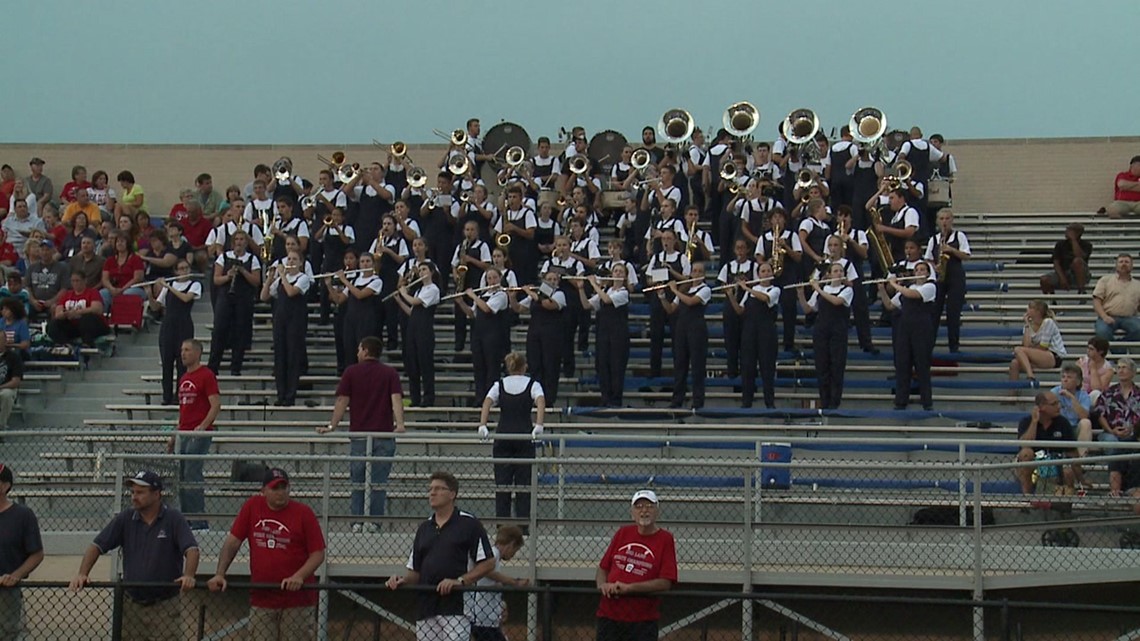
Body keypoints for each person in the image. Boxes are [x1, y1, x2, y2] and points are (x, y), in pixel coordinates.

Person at [70, 471, 199, 640]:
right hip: (132, 605)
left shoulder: (173, 519)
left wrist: (188, 575)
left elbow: (192, 550)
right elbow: (96, 546)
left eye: (140, 492)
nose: (134, 497)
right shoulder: (125, 519)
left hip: (165, 605)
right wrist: (82, 573)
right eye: (132, 492)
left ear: (156, 494)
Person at [208, 468, 326, 641]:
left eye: (284, 487)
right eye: (275, 488)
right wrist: (220, 573)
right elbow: (232, 542)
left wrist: (299, 576)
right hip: (262, 599)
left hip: (297, 601)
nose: (281, 492)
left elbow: (317, 553)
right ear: (263, 491)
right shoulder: (252, 507)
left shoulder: (303, 513)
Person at [385, 471, 496, 641]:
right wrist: (403, 580)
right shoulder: (424, 528)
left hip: (455, 606)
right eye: (430, 489)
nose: (432, 493)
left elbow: (488, 562)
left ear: (452, 494)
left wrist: (460, 581)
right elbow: (415, 571)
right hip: (427, 605)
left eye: (438, 488)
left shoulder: (469, 524)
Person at [318, 336, 406, 530]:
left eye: (359, 349)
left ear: (365, 350)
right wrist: (399, 424)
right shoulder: (389, 373)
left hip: (359, 436)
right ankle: (374, 522)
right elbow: (396, 398)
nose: (357, 353)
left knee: (358, 480)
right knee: (379, 481)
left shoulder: (351, 372)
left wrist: (332, 426)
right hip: (383, 435)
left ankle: (357, 521)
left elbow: (342, 401)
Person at [595, 489, 677, 641]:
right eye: (639, 507)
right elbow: (603, 568)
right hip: (609, 615)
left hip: (641, 619)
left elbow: (665, 582)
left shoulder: (665, 539)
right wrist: (603, 585)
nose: (644, 510)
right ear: (632, 512)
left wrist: (629, 588)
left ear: (657, 511)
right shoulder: (623, 533)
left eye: (649, 506)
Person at [478, 352, 546, 522]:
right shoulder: (532, 384)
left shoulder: (500, 384)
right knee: (524, 485)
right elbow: (541, 401)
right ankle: (523, 524)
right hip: (524, 436)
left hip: (503, 437)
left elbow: (487, 401)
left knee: (502, 485)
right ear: (525, 367)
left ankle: (502, 524)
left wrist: (483, 424)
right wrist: (539, 424)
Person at [168, 338, 221, 532]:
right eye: (182, 350)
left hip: (198, 433)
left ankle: (199, 522)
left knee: (192, 474)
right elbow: (182, 411)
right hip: (184, 431)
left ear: (198, 353)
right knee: (182, 476)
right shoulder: (183, 379)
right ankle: (186, 520)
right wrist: (175, 435)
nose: (183, 353)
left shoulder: (206, 375)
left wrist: (203, 426)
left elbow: (215, 404)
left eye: (187, 350)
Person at [879, 261, 937, 410]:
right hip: (905, 329)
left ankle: (927, 402)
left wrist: (895, 284)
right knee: (902, 365)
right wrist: (882, 290)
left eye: (922, 269)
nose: (919, 272)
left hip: (922, 328)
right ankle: (901, 401)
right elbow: (890, 306)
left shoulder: (930, 287)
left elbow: (914, 295)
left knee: (922, 366)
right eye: (917, 269)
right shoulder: (907, 287)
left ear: (928, 273)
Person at [207, 230, 261, 376]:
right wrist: (228, 276)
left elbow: (256, 281)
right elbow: (216, 280)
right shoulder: (224, 257)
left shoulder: (252, 259)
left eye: (242, 239)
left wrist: (243, 271)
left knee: (240, 331)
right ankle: (213, 366)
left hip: (243, 299)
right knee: (219, 330)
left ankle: (236, 367)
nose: (239, 242)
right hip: (225, 298)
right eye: (236, 239)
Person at [261, 250, 312, 407]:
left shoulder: (302, 278)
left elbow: (291, 292)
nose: (290, 261)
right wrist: (270, 278)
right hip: (280, 320)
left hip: (295, 320)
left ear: (300, 263)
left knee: (292, 357)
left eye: (294, 259)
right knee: (280, 357)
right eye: (289, 258)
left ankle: (290, 395)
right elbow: (264, 296)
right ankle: (280, 394)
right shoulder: (280, 281)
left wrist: (282, 275)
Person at [0, 463, 44, 641]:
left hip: (6, 591)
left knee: (8, 634)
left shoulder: (22, 515)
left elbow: (37, 554)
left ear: (5, 486)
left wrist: (15, 575)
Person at [802, 261, 854, 409]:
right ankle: (824, 401)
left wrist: (818, 288)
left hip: (838, 330)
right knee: (822, 366)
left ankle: (834, 402)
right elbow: (809, 309)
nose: (839, 274)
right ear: (829, 274)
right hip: (821, 330)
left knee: (836, 366)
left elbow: (836, 301)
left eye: (841, 271)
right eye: (836, 271)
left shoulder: (847, 290)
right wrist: (800, 294)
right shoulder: (822, 290)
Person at [730, 261, 781, 409]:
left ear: (771, 274)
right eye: (762, 271)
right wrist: (731, 296)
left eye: (767, 271)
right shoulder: (750, 291)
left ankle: (769, 402)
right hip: (749, 331)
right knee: (747, 367)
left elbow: (765, 299)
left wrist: (746, 287)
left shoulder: (775, 290)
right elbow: (740, 311)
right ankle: (747, 401)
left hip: (767, 332)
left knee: (767, 367)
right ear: (758, 274)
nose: (765, 274)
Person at [660, 262, 711, 409]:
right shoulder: (685, 289)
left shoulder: (705, 289)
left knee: (697, 367)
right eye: (694, 271)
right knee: (680, 366)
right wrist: (662, 296)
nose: (696, 274)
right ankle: (677, 400)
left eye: (700, 271)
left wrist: (674, 290)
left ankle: (698, 402)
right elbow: (670, 309)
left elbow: (690, 301)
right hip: (681, 329)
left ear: (704, 274)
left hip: (697, 329)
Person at [149, 261, 201, 405]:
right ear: (176, 271)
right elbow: (155, 307)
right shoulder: (169, 287)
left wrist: (167, 286)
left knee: (182, 363)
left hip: (183, 325)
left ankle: (180, 395)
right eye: (181, 268)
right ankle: (166, 396)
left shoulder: (194, 285)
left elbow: (185, 298)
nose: (184, 270)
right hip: (168, 326)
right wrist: (149, 293)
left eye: (186, 268)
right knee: (167, 362)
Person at [465, 525, 528, 641]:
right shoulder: (492, 555)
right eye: (515, 550)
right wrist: (513, 582)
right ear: (511, 544)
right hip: (482, 617)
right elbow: (486, 571)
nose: (513, 554)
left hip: (486, 616)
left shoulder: (494, 556)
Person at [581, 266, 631, 407]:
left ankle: (616, 399)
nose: (617, 274)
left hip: (618, 333)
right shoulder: (605, 290)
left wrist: (594, 284)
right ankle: (605, 397)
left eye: (621, 272)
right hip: (603, 332)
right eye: (615, 271)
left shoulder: (623, 293)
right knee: (603, 365)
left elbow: (608, 301)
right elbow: (586, 305)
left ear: (625, 277)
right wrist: (581, 289)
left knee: (616, 366)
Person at [925, 209, 971, 353]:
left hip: (956, 277)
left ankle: (954, 347)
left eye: (947, 219)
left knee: (953, 313)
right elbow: (927, 259)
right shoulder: (933, 239)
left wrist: (951, 250)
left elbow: (966, 255)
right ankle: (928, 346)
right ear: (937, 221)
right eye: (941, 219)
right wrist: (935, 267)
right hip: (939, 278)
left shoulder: (959, 236)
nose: (944, 222)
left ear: (952, 220)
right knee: (934, 313)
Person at [396, 263, 441, 407]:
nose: (421, 273)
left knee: (425, 364)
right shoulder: (419, 289)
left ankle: (428, 398)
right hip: (413, 328)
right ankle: (415, 398)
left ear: (431, 272)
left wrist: (404, 293)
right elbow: (412, 311)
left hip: (424, 330)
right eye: (420, 270)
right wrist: (399, 300)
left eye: (424, 270)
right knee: (412, 365)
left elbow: (416, 302)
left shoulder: (433, 289)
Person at [1015, 392, 1077, 495]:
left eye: (1058, 403)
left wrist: (1081, 478)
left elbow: (1073, 453)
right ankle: (1027, 497)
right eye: (1054, 404)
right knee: (1026, 453)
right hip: (1034, 465)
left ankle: (1065, 504)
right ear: (1041, 407)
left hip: (1056, 464)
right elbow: (1024, 445)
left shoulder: (1063, 423)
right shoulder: (1026, 422)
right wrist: (1034, 422)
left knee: (1068, 471)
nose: (1059, 407)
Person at [519, 270, 566, 407]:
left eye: (554, 279)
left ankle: (549, 398)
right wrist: (512, 297)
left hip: (552, 335)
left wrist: (531, 293)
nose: (552, 281)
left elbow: (548, 304)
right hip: (535, 334)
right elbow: (519, 308)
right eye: (549, 279)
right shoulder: (537, 295)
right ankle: (536, 397)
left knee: (550, 366)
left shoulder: (559, 294)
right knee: (535, 365)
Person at [1008, 300, 1066, 384]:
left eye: (1030, 308)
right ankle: (1012, 394)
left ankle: (1030, 375)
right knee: (1014, 363)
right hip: (1038, 356)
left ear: (1037, 312)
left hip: (1053, 356)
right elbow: (1026, 345)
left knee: (1018, 350)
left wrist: (1029, 350)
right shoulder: (1028, 325)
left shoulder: (1048, 322)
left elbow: (1043, 347)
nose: (1027, 310)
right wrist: (1027, 325)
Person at [47, 271, 109, 346]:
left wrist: (78, 312)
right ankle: (65, 344)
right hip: (74, 326)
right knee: (54, 323)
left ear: (85, 281)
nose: (75, 283)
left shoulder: (92, 292)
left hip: (92, 325)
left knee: (87, 318)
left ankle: (88, 344)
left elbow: (97, 309)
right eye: (73, 281)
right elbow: (58, 313)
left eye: (77, 281)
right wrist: (66, 314)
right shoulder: (67, 294)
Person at [1093, 253, 1140, 342]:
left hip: (1130, 318)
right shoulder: (1105, 280)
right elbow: (1096, 301)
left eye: (1127, 262)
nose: (1124, 264)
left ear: (1132, 266)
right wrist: (1104, 316)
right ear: (1116, 265)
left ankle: (1120, 347)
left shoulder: (1138, 284)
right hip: (1108, 315)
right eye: (1121, 262)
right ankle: (1119, 350)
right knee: (1102, 332)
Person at [1093, 358, 1140, 446]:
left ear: (1133, 373)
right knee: (1111, 442)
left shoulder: (1138, 394)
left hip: (1135, 435)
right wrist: (1111, 431)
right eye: (1119, 368)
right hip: (1110, 433)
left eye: (1124, 368)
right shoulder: (1108, 392)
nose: (1121, 371)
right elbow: (1099, 414)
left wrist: (1133, 430)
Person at [1040, 223, 1091, 296]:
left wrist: (1073, 240)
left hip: (1080, 274)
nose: (1066, 232)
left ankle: (1081, 291)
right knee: (1044, 279)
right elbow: (1056, 262)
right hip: (1063, 272)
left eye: (1069, 230)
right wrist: (1062, 278)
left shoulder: (1086, 245)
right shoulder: (1060, 244)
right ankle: (1052, 299)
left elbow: (1080, 256)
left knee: (1077, 261)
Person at [1078, 337, 1114, 404]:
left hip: (1095, 398)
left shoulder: (1108, 370)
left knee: (1096, 393)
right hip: (1080, 394)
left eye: (1091, 349)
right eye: (1088, 348)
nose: (1088, 351)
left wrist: (1093, 369)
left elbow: (1096, 388)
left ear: (1100, 351)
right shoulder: (1082, 362)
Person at [0, 333, 22, 430]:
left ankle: (1, 426)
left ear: (5, 341)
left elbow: (15, 382)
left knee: (6, 395)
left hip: (7, 388)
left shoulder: (14, 357)